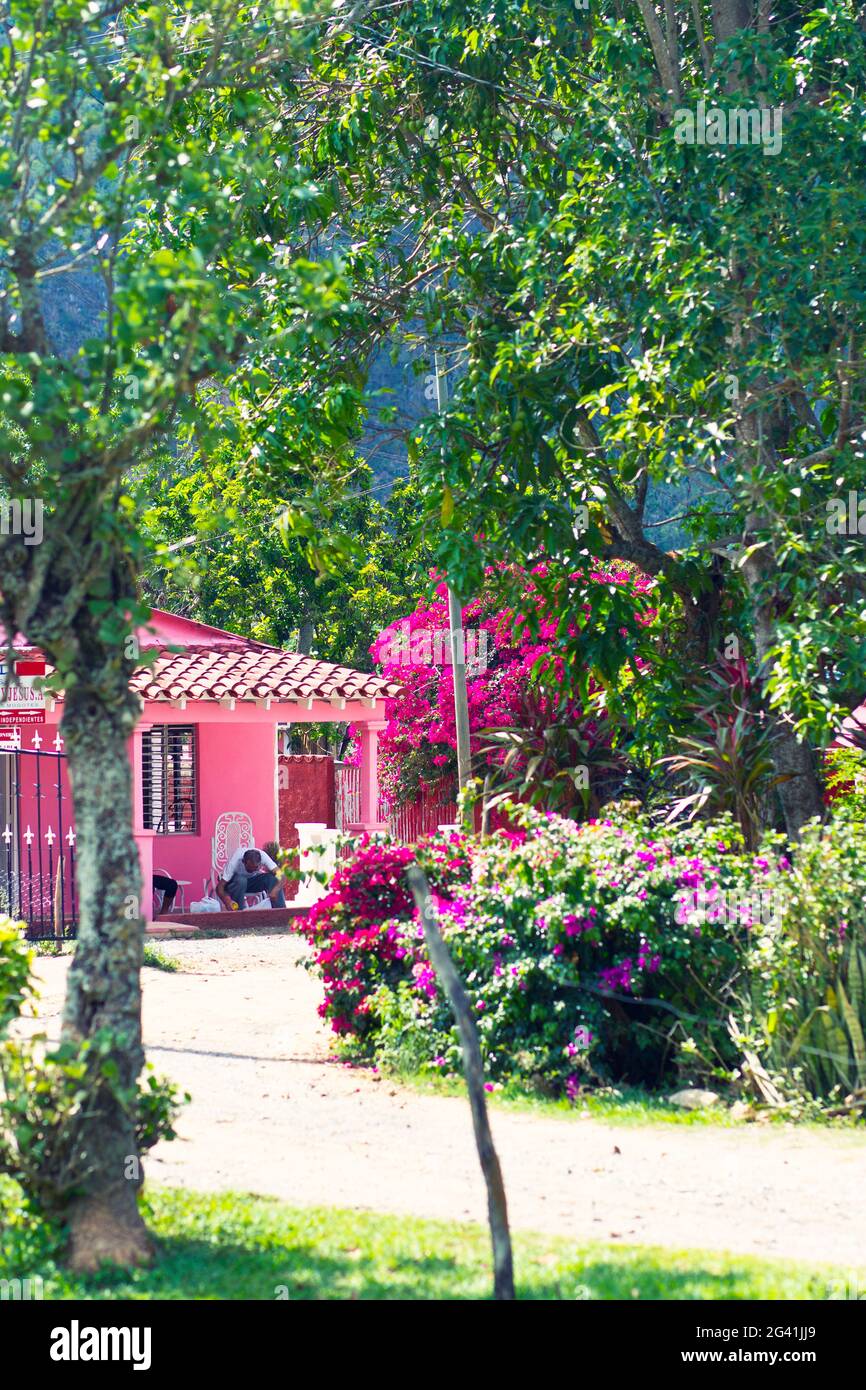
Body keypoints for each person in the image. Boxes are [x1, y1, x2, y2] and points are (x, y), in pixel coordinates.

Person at [217, 846, 286, 911]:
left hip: (251, 883)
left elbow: (282, 876)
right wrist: (226, 900)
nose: (252, 870)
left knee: (272, 878)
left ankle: (281, 912)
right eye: (249, 868)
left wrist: (275, 890)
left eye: (256, 868)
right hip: (235, 885)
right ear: (243, 862)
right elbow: (219, 887)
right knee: (241, 880)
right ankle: (239, 913)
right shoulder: (235, 861)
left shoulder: (263, 857)